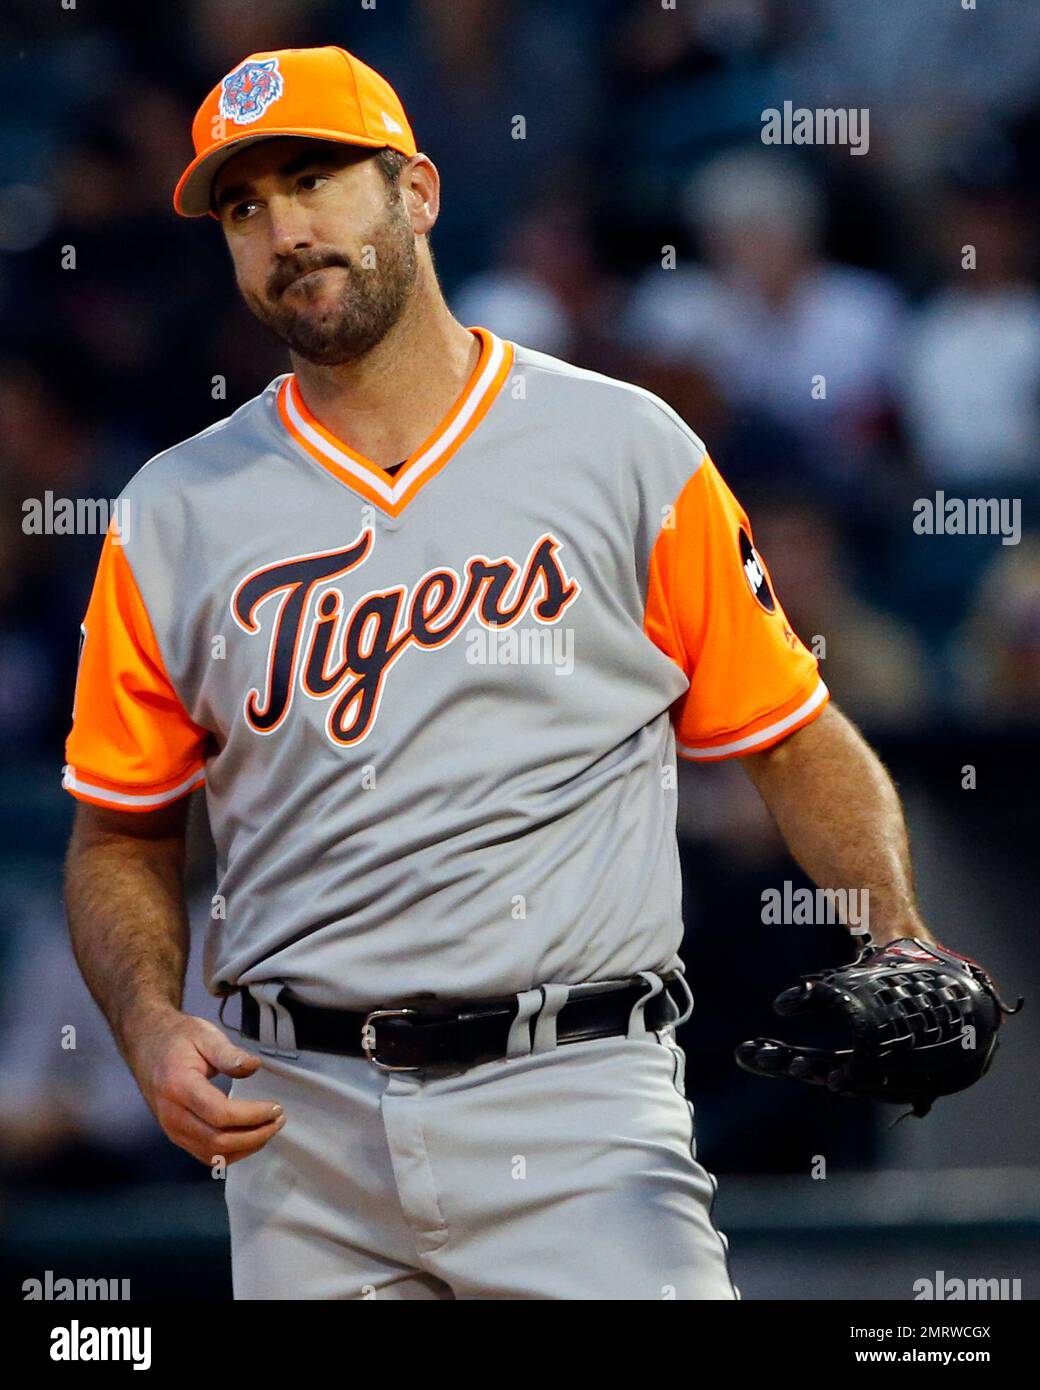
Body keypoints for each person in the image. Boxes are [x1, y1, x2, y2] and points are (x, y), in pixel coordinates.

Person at [63, 46, 936, 1301]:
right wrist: (149, 1027)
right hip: (296, 1127)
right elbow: (117, 834)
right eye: (243, 208)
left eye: (312, 179)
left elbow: (790, 731)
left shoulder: (619, 445)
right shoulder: (174, 509)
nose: (281, 229)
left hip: (574, 1101)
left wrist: (898, 936)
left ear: (416, 190)